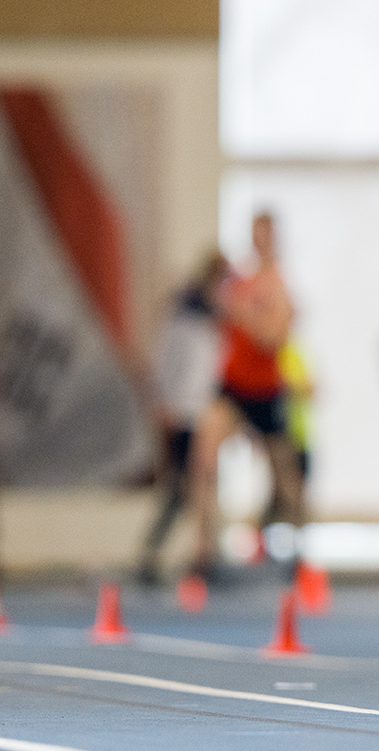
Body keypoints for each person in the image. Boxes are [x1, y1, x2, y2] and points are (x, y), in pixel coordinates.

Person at [186, 211, 306, 578]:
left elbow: (273, 338)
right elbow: (220, 314)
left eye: (265, 234)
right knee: (203, 457)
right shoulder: (241, 279)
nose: (259, 241)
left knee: (286, 477)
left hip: (266, 390)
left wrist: (244, 316)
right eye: (255, 234)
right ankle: (203, 553)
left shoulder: (280, 286)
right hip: (233, 386)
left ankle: (300, 553)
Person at [136, 251, 229, 586]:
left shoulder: (220, 321)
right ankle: (151, 553)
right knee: (178, 489)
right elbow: (164, 364)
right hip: (182, 412)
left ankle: (206, 557)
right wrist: (163, 405)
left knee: (206, 484)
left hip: (206, 414)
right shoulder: (183, 316)